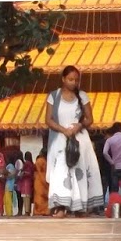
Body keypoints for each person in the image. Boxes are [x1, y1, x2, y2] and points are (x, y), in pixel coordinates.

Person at [45, 66, 104, 215]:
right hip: (60, 138)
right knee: (61, 171)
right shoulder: (54, 96)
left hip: (79, 139)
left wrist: (79, 125)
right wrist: (64, 130)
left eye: (76, 80)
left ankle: (80, 206)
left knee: (79, 171)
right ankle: (61, 206)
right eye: (70, 79)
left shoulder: (83, 96)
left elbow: (90, 119)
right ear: (63, 79)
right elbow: (48, 119)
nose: (73, 82)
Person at [33, 151, 49, 216]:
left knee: (39, 196)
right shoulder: (41, 161)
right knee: (41, 196)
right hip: (41, 180)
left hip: (38, 180)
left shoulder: (40, 161)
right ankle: (42, 211)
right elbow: (41, 171)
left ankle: (39, 211)